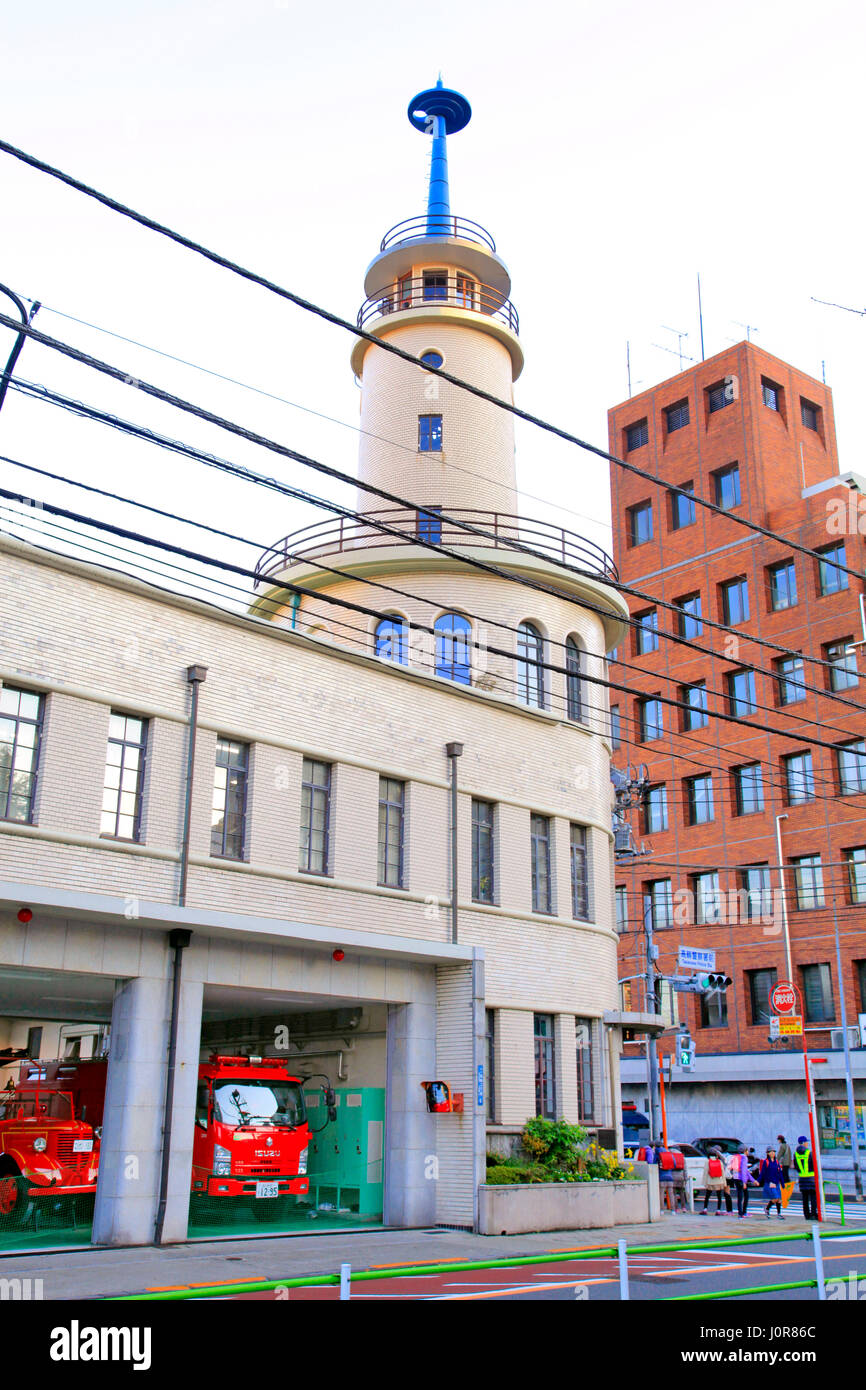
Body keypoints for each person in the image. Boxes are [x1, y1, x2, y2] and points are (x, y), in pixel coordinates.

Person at [699, 1146, 729, 1215]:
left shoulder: (708, 1161)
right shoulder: (719, 1162)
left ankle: (705, 1209)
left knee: (707, 1196)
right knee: (719, 1196)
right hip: (719, 1181)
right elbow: (722, 1173)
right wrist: (724, 1183)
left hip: (710, 1181)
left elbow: (705, 1173)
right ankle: (718, 1210)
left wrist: (704, 1182)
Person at [730, 1144, 757, 1217]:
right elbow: (744, 1171)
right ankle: (742, 1213)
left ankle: (741, 1213)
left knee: (740, 1196)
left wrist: (753, 1180)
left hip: (736, 1178)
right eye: (747, 1150)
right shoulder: (744, 1158)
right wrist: (744, 1182)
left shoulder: (736, 1157)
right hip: (741, 1179)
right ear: (745, 1151)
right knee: (745, 1196)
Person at [795, 1135, 818, 1219]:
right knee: (813, 1197)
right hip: (811, 1178)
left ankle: (806, 1215)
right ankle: (813, 1214)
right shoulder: (809, 1153)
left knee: (805, 1198)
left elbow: (796, 1166)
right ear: (803, 1143)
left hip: (802, 1178)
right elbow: (814, 1165)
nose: (807, 1143)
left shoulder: (796, 1154)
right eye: (806, 1142)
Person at [759, 1147, 785, 1219]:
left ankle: (779, 1214)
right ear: (767, 1153)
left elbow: (780, 1173)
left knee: (779, 1199)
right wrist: (758, 1181)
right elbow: (762, 1173)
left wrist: (782, 1183)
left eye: (773, 1152)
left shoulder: (776, 1162)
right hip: (770, 1183)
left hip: (776, 1182)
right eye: (771, 1152)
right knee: (775, 1198)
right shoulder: (766, 1162)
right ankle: (767, 1208)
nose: (772, 1153)